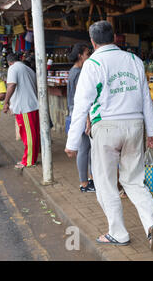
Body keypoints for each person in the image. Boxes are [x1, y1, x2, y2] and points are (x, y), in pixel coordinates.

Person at [65, 21, 153, 249]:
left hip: (106, 128)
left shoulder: (93, 63)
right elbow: (146, 98)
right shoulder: (134, 60)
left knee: (106, 183)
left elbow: (81, 106)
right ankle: (151, 225)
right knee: (135, 181)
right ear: (115, 37)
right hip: (135, 125)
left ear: (92, 41)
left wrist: (72, 142)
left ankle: (118, 233)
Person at [2, 53, 40, 169]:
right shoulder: (27, 69)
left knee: (28, 135)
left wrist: (6, 102)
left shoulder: (13, 68)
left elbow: (11, 85)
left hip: (25, 107)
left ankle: (28, 161)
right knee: (32, 134)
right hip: (30, 106)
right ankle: (30, 159)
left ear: (9, 62)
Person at [67, 43, 95, 193]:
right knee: (84, 149)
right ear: (80, 55)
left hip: (77, 113)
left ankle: (89, 179)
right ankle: (84, 183)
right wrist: (87, 121)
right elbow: (83, 101)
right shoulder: (78, 73)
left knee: (86, 149)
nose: (89, 56)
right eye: (87, 54)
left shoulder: (74, 71)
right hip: (81, 115)